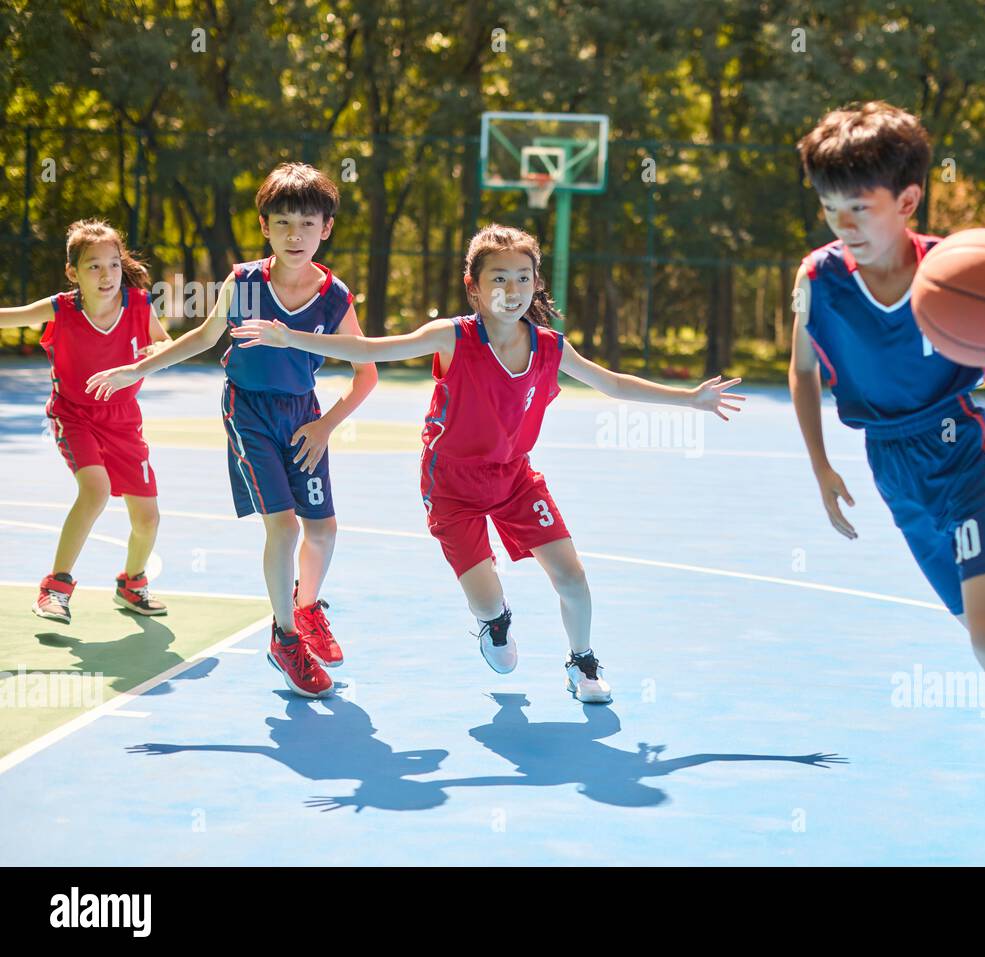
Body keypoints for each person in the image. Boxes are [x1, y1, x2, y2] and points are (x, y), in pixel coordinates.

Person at [230, 223, 744, 703]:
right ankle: (494, 622)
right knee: (485, 601)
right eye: (499, 277)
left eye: (524, 277)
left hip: (516, 478)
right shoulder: (453, 337)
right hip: (452, 485)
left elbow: (612, 383)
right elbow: (371, 349)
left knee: (572, 577)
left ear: (536, 284)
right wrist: (290, 335)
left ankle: (582, 662)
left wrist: (689, 399)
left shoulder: (548, 347)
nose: (513, 288)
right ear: (473, 287)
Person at [788, 102, 985, 865]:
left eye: (858, 209)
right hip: (891, 466)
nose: (842, 224)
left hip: (965, 454)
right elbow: (801, 368)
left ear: (907, 200)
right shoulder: (819, 279)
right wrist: (821, 465)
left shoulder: (968, 267)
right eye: (830, 209)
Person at [87, 164, 378, 699]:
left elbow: (367, 371)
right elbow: (203, 336)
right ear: (265, 226)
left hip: (304, 415)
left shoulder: (334, 297)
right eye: (284, 223)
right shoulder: (244, 282)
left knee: (324, 530)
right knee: (285, 529)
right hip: (248, 412)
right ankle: (285, 638)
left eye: (307, 224)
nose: (296, 235)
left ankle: (307, 608)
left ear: (326, 229)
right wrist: (136, 368)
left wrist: (326, 425)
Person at [0, 219, 173, 623]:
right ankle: (55, 588)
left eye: (113, 264)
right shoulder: (61, 308)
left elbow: (165, 343)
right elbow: (11, 317)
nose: (106, 274)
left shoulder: (139, 305)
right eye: (93, 265)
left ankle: (132, 583)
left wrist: (156, 350)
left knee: (147, 519)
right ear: (72, 272)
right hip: (74, 415)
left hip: (124, 420)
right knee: (95, 491)